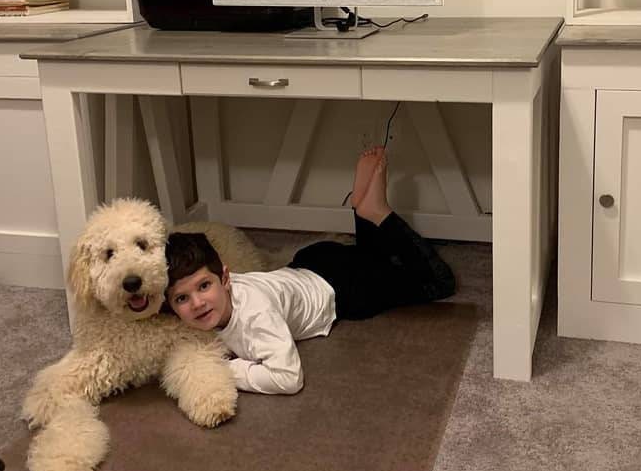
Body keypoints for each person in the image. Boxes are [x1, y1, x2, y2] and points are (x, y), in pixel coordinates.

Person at [164, 146, 456, 395]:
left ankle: (378, 212)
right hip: (312, 261)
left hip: (343, 289)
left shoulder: (256, 317)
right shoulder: (212, 301)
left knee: (438, 282)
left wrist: (229, 369)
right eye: (182, 299)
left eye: (204, 286)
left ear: (225, 278)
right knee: (375, 258)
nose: (197, 303)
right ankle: (363, 208)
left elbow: (289, 378)